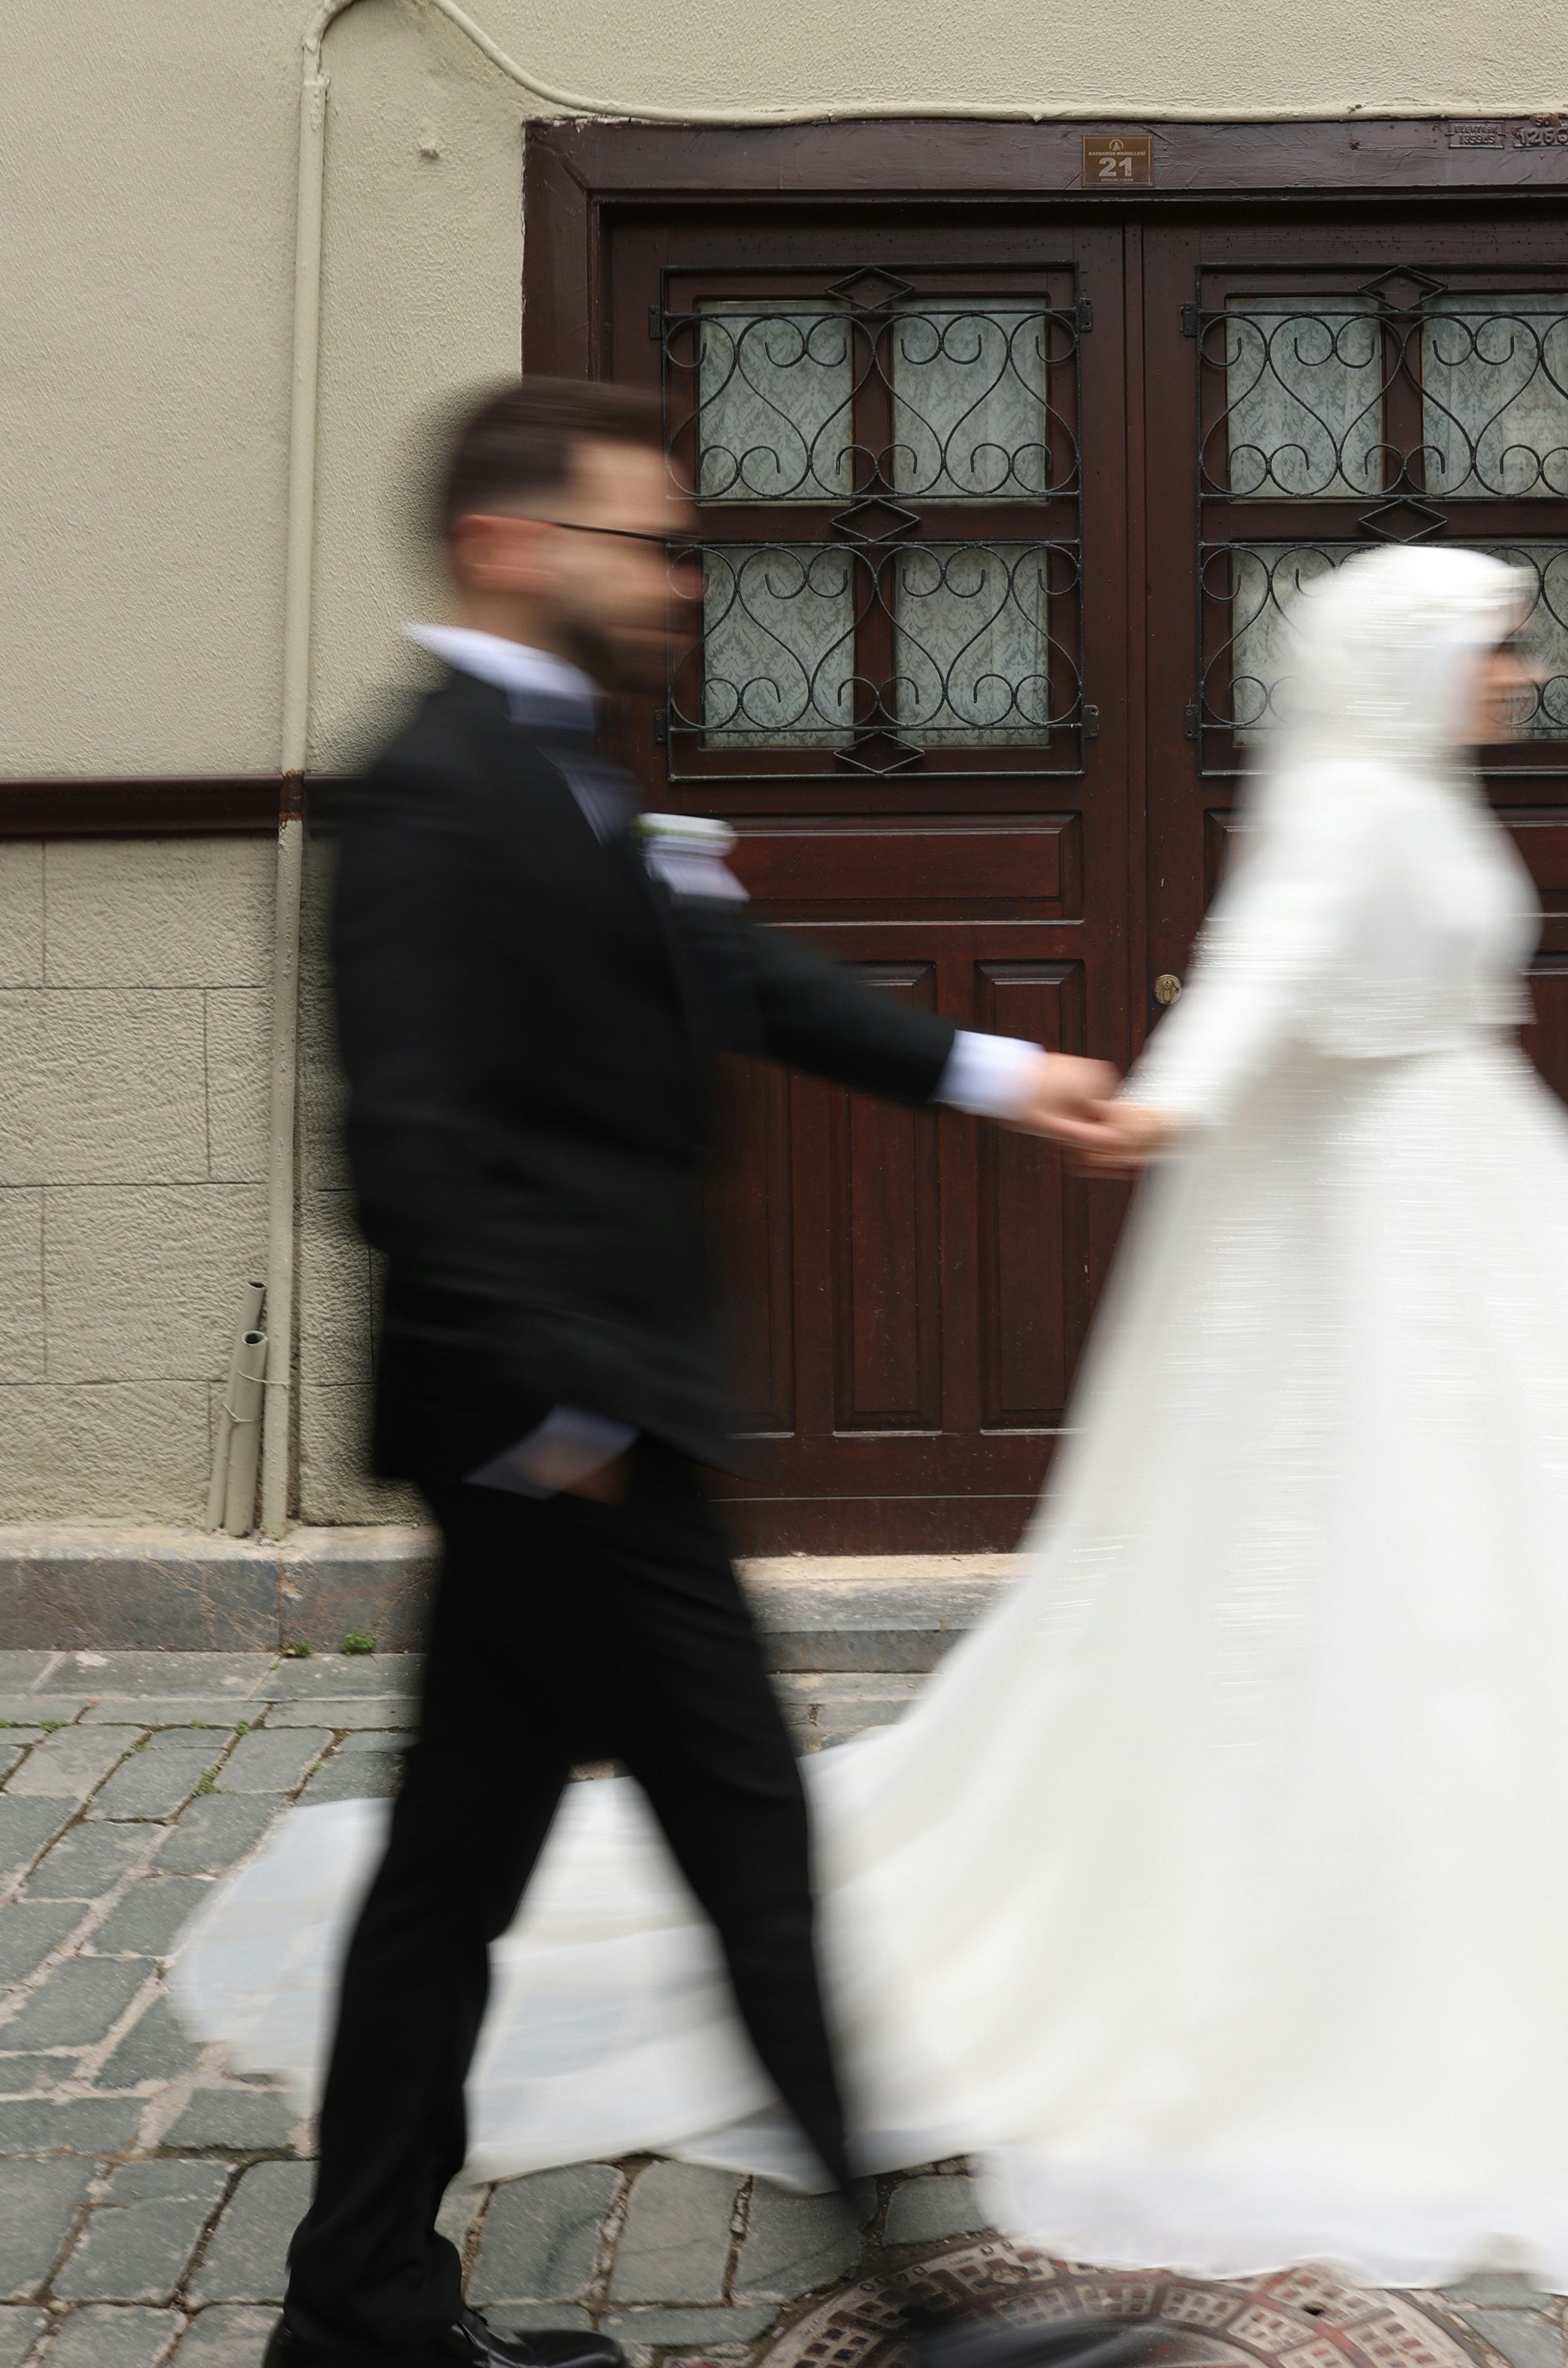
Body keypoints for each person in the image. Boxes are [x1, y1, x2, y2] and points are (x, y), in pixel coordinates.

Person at [191, 541, 1568, 2308]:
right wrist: (1134, 1108)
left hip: (1493, 1223)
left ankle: (444, 2265)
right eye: (1498, 645)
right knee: (1373, 1593)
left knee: (1549, 1570)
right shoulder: (1350, 813)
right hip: (1355, 1254)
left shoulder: (1424, 798)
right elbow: (1257, 982)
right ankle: (869, 2252)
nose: (1526, 675)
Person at [261, 378, 1130, 2368]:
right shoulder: (428, 791)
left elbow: (743, 982)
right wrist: (566, 1425)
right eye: (648, 542)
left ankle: (358, 2300)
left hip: (562, 1439)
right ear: (512, 546)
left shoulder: (581, 771)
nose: (681, 578)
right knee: (749, 1841)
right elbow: (408, 1152)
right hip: (569, 1439)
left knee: (448, 1878)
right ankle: (925, 2318)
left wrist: (1008, 1074)